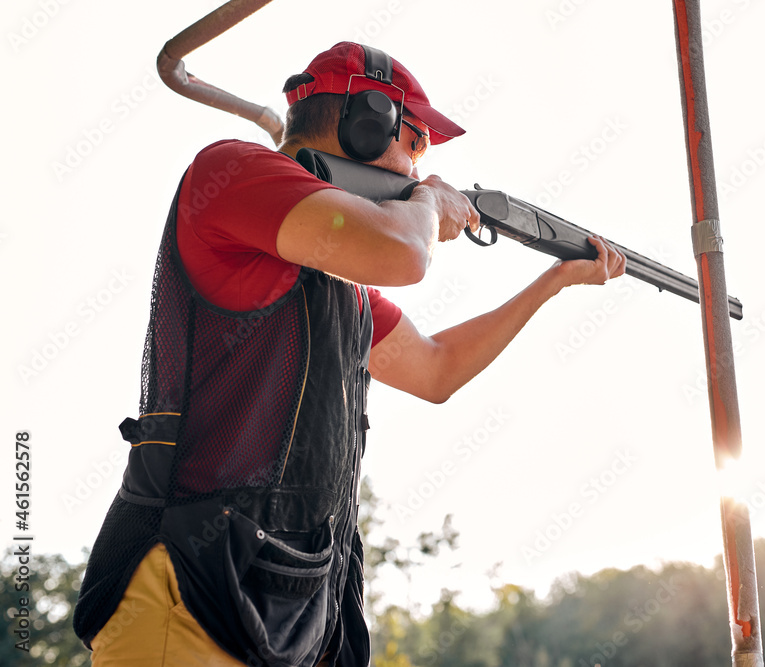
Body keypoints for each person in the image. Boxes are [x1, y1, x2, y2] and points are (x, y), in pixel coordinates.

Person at [73, 41, 625, 666]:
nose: (420, 169)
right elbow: (405, 255)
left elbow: (437, 370)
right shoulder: (233, 170)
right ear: (368, 122)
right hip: (189, 597)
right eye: (414, 143)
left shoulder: (340, 289)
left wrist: (553, 281)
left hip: (287, 607)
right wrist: (428, 206)